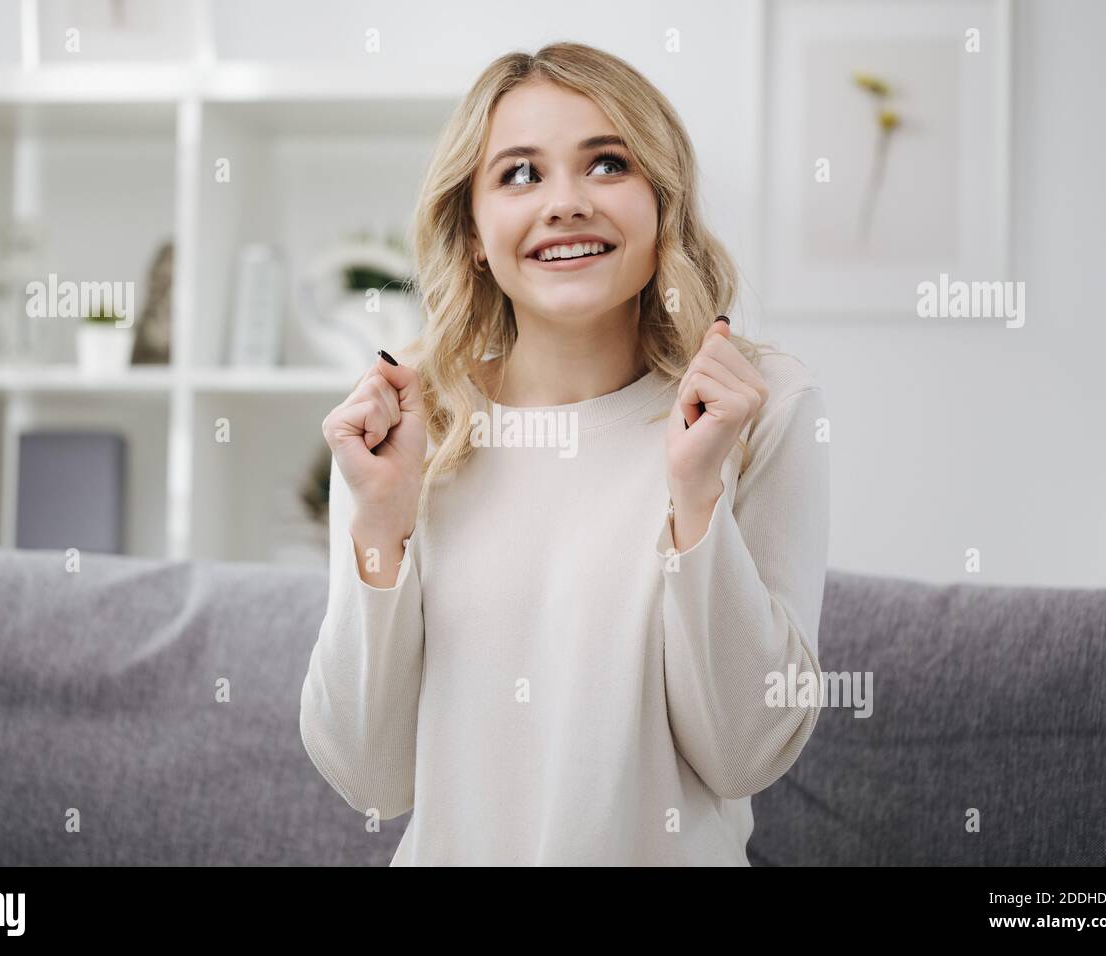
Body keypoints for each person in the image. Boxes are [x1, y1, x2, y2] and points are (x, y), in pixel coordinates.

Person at [300, 41, 830, 865]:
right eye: (518, 174)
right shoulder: (406, 429)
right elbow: (370, 780)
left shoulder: (757, 408)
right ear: (473, 232)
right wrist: (381, 525)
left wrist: (696, 500)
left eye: (608, 164)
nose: (565, 204)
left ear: (664, 202)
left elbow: (746, 753)